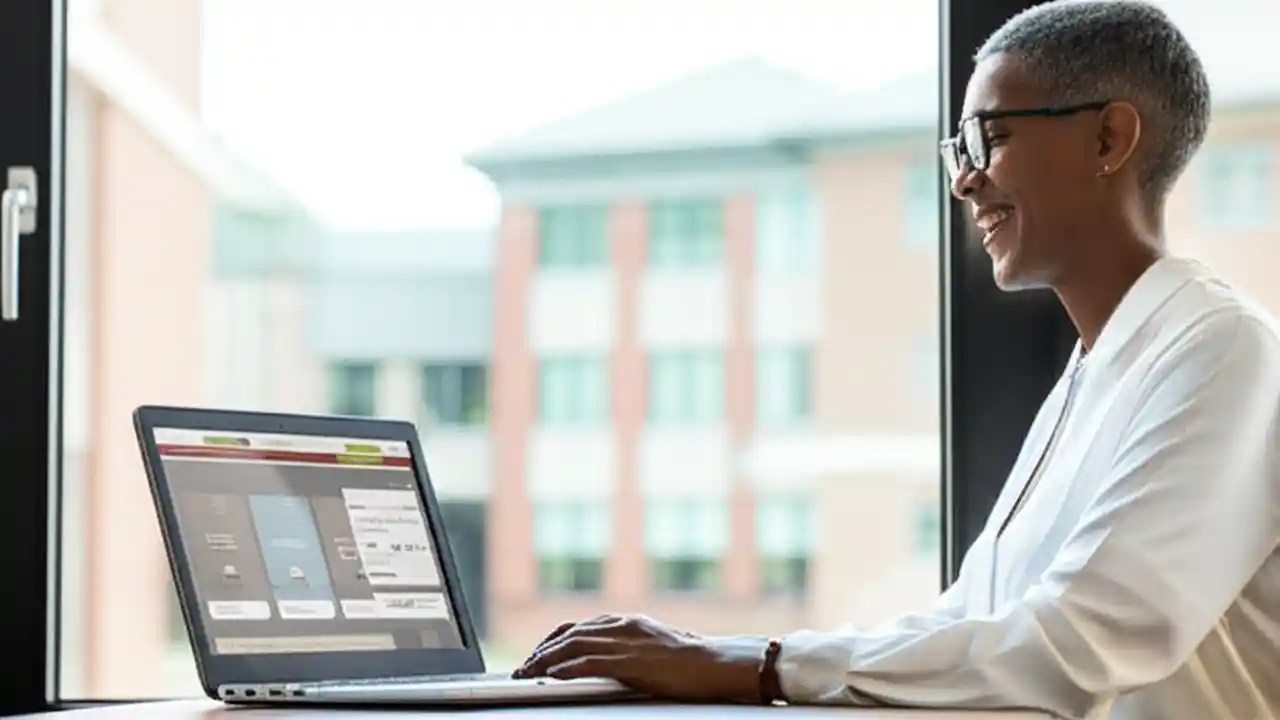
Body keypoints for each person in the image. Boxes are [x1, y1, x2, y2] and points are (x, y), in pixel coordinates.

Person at [511, 2, 1280, 718]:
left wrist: (750, 660)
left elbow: (1071, 644)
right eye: (959, 148)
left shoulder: (1220, 351)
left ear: (1110, 139)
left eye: (992, 138)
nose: (963, 180)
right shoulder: (1099, 369)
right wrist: (721, 657)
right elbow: (972, 619)